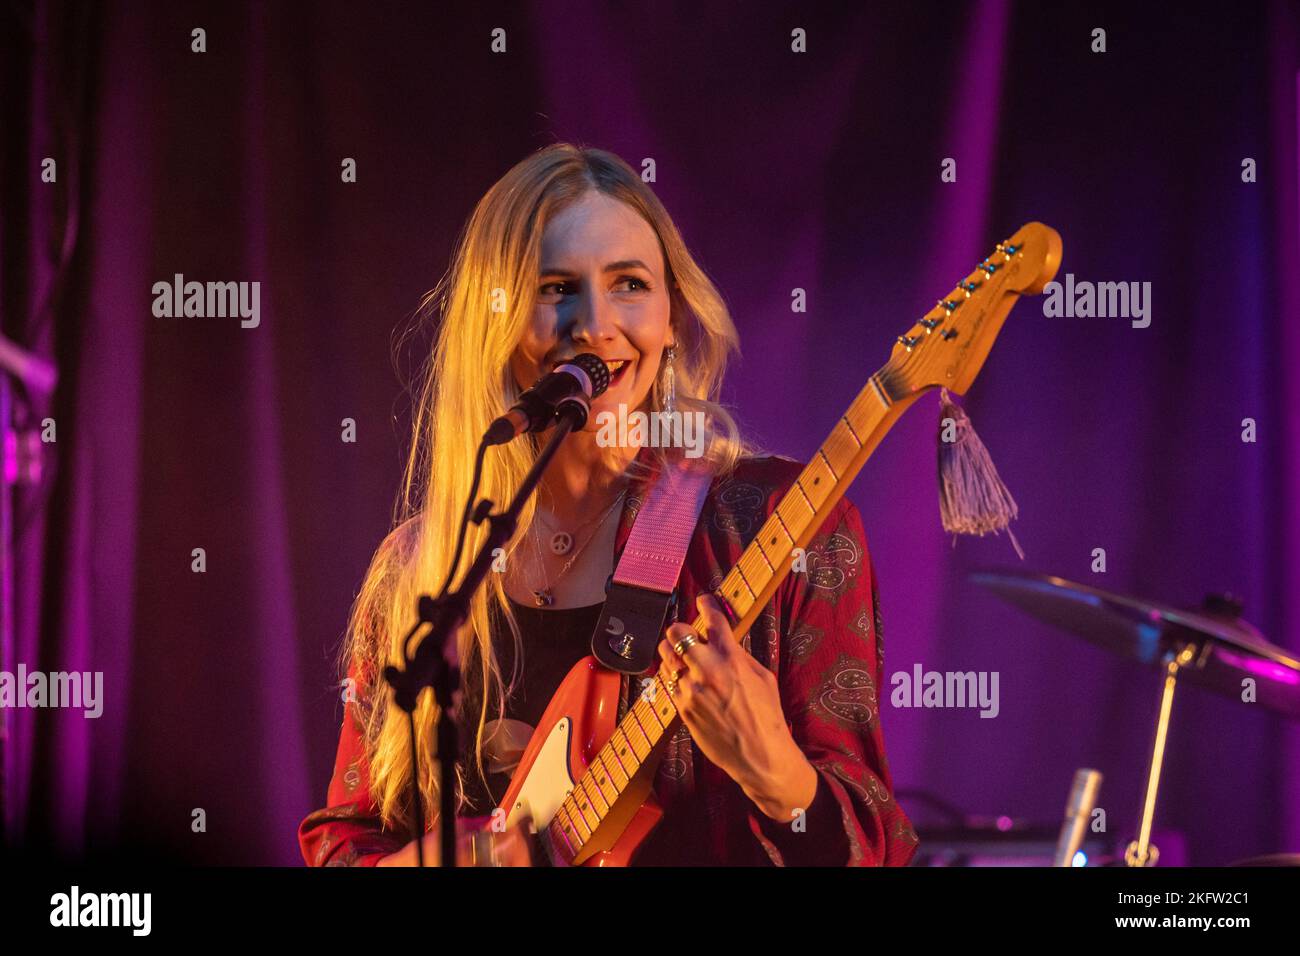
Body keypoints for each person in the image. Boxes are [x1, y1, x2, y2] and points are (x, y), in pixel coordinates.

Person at [297, 144, 918, 866]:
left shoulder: (778, 526)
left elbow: (875, 850)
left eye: (629, 283)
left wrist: (775, 771)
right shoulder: (420, 567)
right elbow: (346, 837)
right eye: (556, 287)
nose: (595, 324)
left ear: (671, 313)